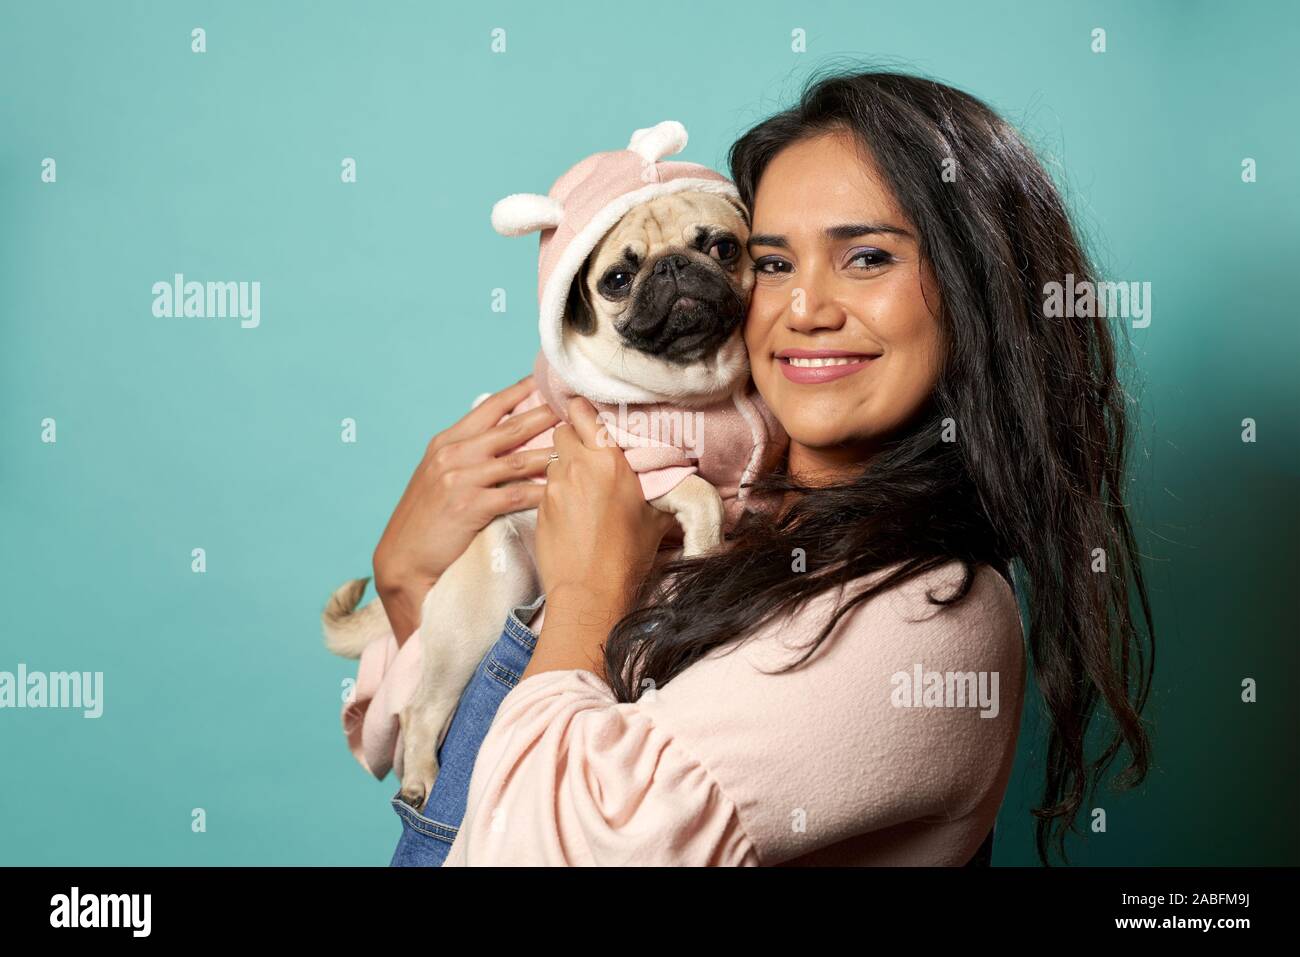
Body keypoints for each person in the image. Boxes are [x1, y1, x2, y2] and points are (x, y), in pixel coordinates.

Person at [358, 66, 1156, 867]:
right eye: (774, 263)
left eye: (868, 257)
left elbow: (530, 844)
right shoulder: (740, 513)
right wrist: (406, 582)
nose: (805, 309)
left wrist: (584, 593)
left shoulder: (926, 612)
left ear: (975, 286)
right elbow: (459, 803)